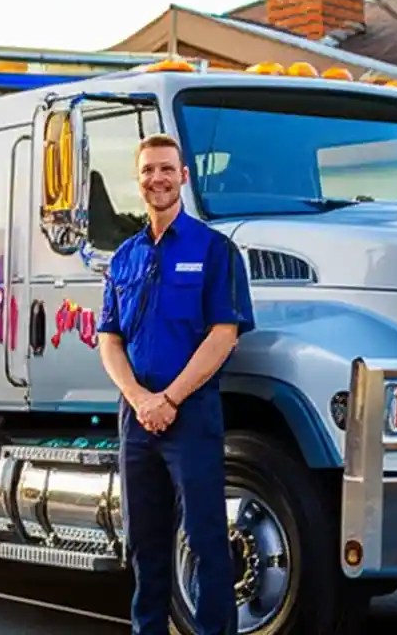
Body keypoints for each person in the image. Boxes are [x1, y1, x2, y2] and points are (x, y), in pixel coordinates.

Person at [97, 133, 255, 635]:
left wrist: (169, 399)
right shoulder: (124, 257)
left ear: (183, 177)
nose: (157, 178)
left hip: (191, 415)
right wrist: (140, 400)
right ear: (138, 179)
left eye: (167, 169)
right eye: (148, 170)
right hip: (137, 418)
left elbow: (223, 335)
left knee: (206, 540)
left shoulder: (215, 250)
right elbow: (109, 340)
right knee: (143, 544)